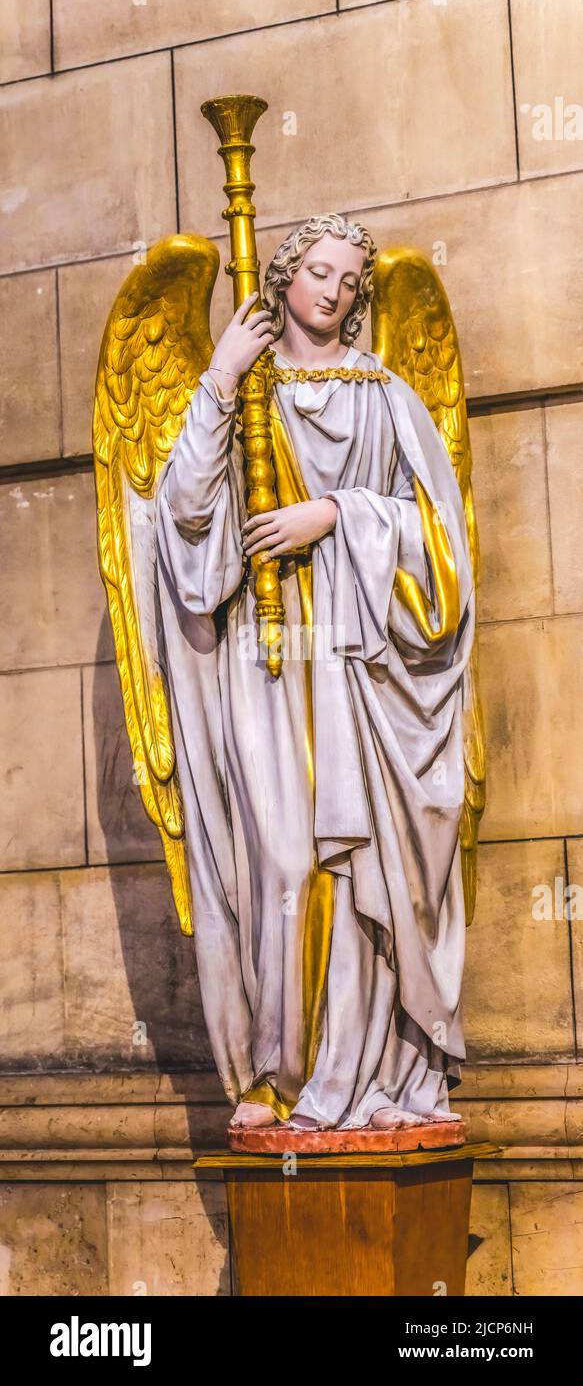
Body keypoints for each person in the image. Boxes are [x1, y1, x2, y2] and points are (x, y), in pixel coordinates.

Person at [154, 213, 474, 1132]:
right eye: (318, 274)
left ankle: (377, 1076)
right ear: (284, 277)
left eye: (347, 280)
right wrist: (219, 375)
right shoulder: (243, 389)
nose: (333, 293)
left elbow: (442, 545)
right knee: (288, 862)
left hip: (363, 662)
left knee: (371, 860)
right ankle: (281, 1075)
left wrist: (333, 513)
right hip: (270, 659)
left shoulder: (387, 396)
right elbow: (183, 512)